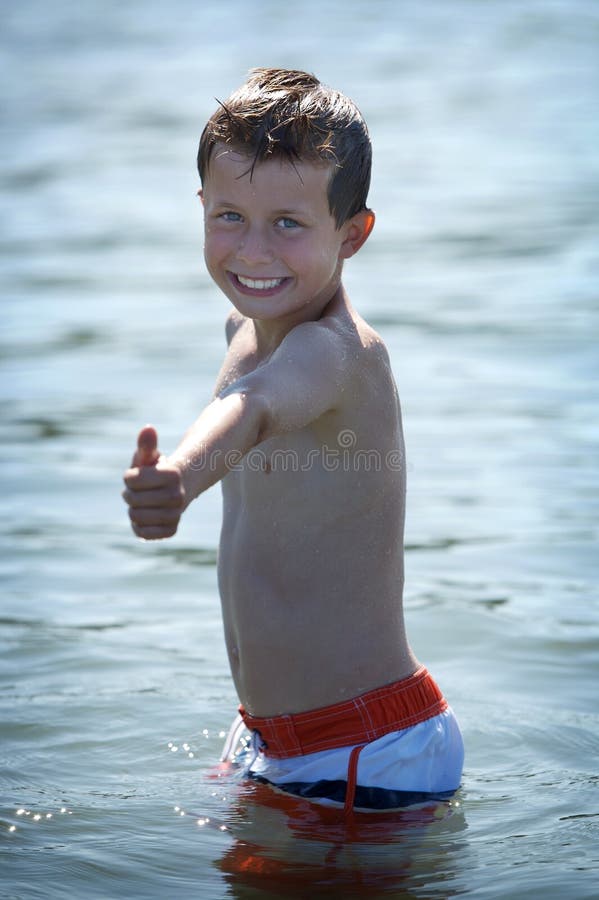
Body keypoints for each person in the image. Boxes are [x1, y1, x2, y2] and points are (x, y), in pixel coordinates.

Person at [122, 68, 464, 813]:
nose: (252, 250)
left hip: (361, 746)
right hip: (277, 736)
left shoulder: (336, 351)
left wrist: (179, 476)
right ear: (201, 208)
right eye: (229, 216)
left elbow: (253, 407)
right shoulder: (244, 329)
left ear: (351, 234)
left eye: (287, 223)